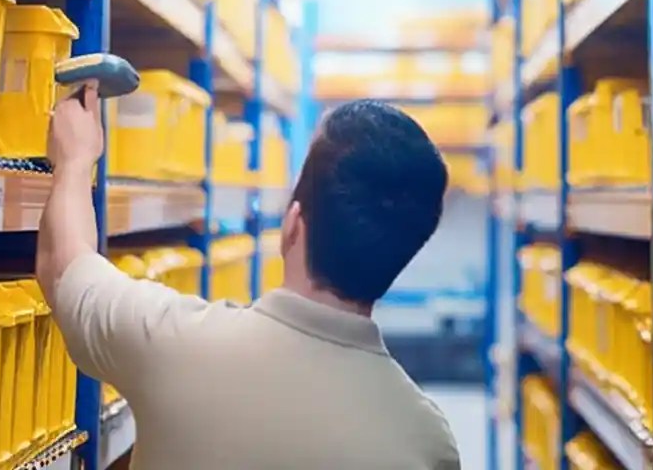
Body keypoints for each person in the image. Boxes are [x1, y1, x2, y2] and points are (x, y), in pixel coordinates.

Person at [37, 85, 462, 470]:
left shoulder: (177, 343)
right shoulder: (425, 442)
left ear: (293, 225)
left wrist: (75, 160)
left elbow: (64, 268)